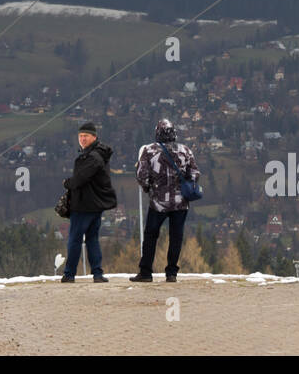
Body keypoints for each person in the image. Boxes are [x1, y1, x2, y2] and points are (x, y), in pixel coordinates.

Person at [130, 118, 200, 283]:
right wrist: (186, 185)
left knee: (151, 236)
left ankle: (146, 272)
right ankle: (171, 273)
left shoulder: (149, 151)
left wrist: (149, 189)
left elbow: (141, 175)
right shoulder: (185, 150)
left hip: (158, 202)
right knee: (176, 236)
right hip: (180, 202)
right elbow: (195, 173)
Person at [60, 122, 116, 283]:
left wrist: (67, 183)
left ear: (94, 137)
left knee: (75, 239)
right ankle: (97, 273)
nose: (82, 139)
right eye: (80, 136)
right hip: (95, 204)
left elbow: (80, 179)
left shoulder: (92, 157)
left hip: (84, 204)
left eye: (86, 136)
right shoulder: (98, 154)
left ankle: (70, 274)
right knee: (92, 238)